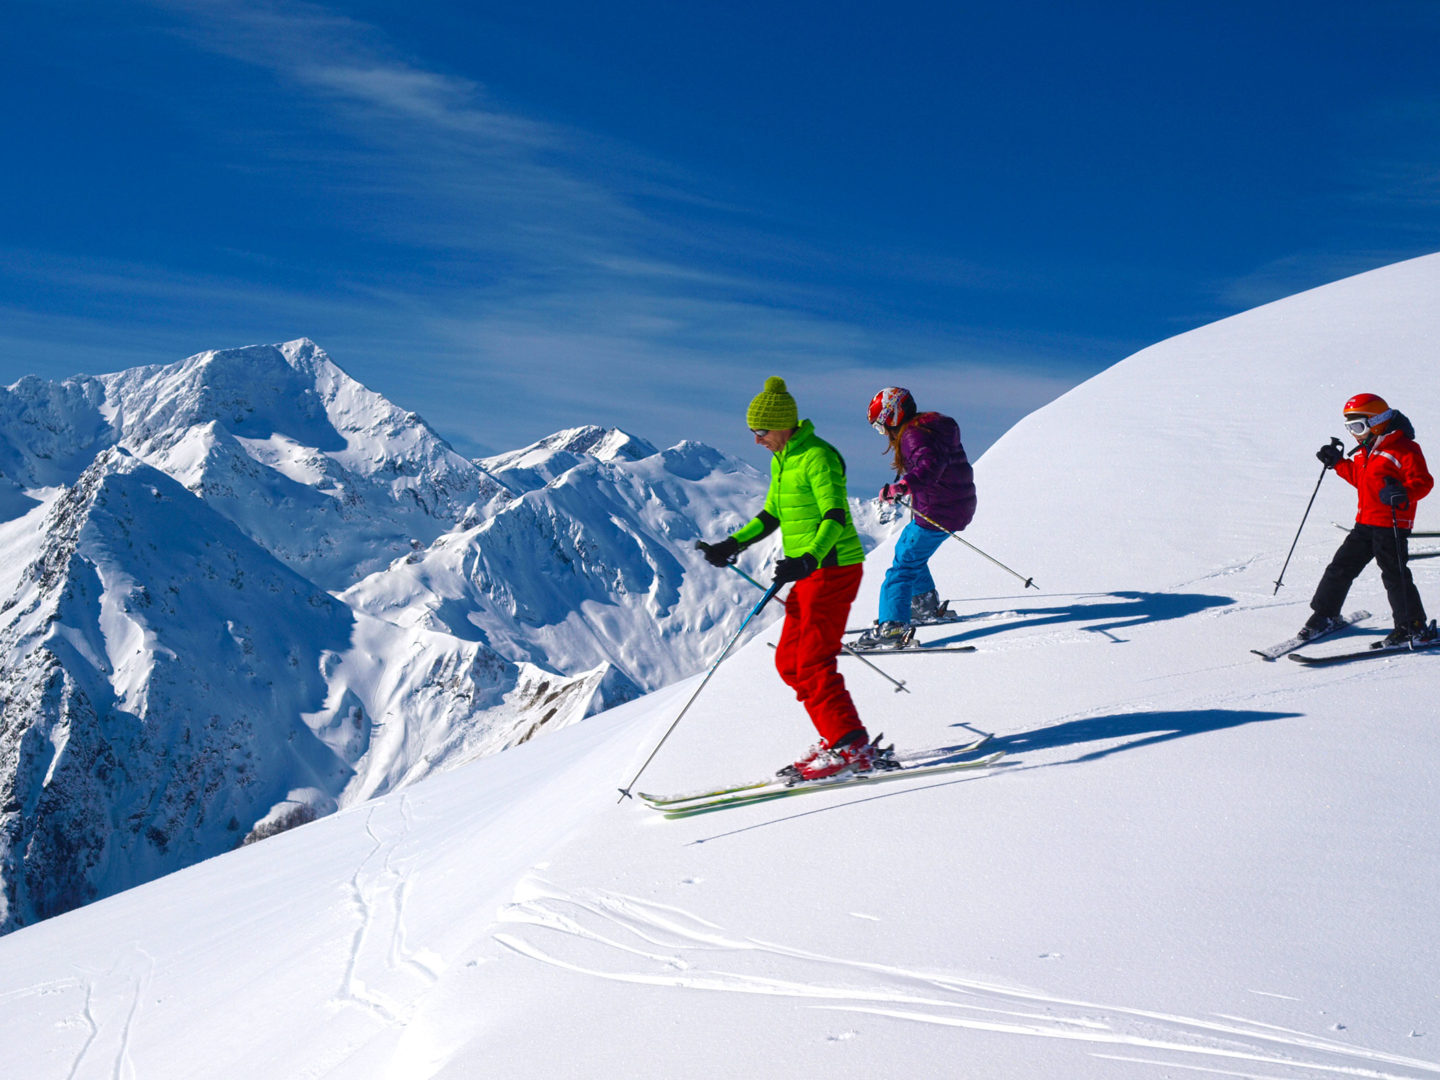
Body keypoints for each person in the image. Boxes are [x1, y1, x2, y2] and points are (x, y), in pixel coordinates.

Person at [696, 375, 880, 782]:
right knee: (788, 663)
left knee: (813, 660)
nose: (757, 440)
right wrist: (730, 545)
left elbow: (836, 515)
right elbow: (771, 515)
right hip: (810, 571)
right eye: (752, 433)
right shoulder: (783, 460)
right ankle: (837, 738)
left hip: (833, 568)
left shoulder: (818, 456)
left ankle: (851, 746)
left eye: (760, 432)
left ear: (781, 424)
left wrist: (809, 559)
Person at [1303, 393, 1435, 648]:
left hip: (1392, 524)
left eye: (1358, 426)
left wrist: (1403, 493)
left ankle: (1413, 627)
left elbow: (1423, 482)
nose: (1354, 433)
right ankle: (1325, 615)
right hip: (1365, 522)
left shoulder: (1403, 448)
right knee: (1340, 568)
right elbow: (1360, 479)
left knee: (1394, 575)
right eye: (1349, 427)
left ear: (1377, 422)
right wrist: (1339, 463)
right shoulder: (1366, 451)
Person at [857, 387, 977, 648]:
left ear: (892, 417)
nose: (883, 434)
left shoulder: (913, 436)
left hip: (938, 511)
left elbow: (928, 466)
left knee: (901, 570)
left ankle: (892, 628)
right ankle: (923, 604)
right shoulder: (930, 428)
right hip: (953, 506)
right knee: (908, 551)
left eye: (880, 427)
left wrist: (902, 486)